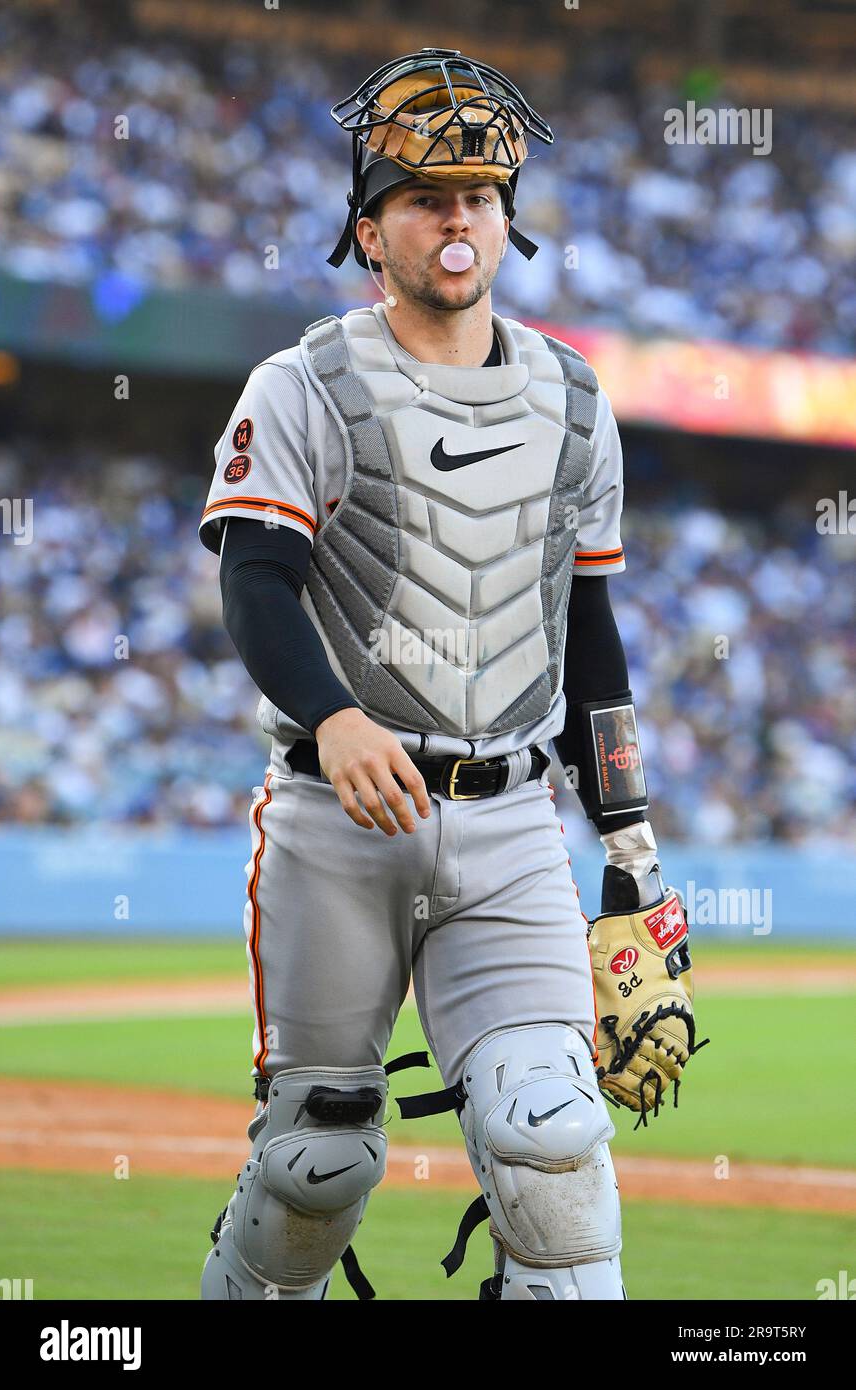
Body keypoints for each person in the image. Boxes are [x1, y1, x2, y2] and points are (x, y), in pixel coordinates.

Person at [197, 48, 703, 1302]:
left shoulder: (576, 400)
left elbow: (589, 631)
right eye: (426, 196)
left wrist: (629, 842)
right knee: (315, 1162)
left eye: (478, 193)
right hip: (337, 813)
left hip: (513, 822)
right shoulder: (302, 382)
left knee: (553, 1144)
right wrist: (333, 715)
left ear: (507, 216)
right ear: (370, 230)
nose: (458, 216)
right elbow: (253, 578)